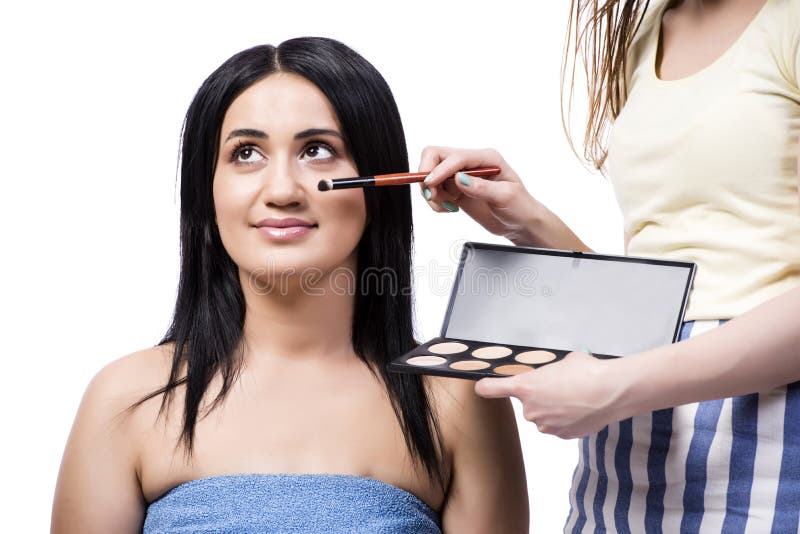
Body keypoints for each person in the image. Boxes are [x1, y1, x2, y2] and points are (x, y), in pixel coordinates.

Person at [50, 37, 528, 533]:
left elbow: (588, 362)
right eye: (246, 153)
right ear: (207, 191)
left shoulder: (456, 401)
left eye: (317, 150)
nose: (281, 191)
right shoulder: (126, 400)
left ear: (381, 183)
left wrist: (530, 225)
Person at [418, 0, 800, 531]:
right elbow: (651, 295)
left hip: (763, 434)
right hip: (624, 448)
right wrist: (526, 221)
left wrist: (615, 387)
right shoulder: (648, 28)